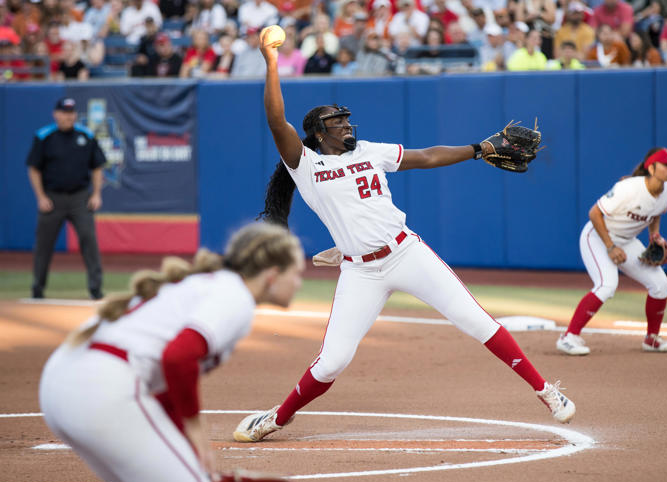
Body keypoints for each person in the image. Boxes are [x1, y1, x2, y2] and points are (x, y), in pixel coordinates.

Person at [231, 31, 577, 444]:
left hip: (405, 252)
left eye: (346, 119)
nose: (346, 125)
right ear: (318, 133)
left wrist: (479, 148)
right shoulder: (305, 164)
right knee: (331, 363)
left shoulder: (370, 151)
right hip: (361, 272)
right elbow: (275, 120)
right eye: (336, 121)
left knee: (475, 320)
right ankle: (277, 418)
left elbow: (427, 156)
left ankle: (546, 392)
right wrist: (271, 61)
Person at [39, 221, 305, 482]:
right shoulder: (235, 297)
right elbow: (178, 357)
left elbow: (165, 387)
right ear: (272, 275)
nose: (299, 282)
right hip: (103, 387)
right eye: (296, 273)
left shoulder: (209, 285)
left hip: (63, 385)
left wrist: (186, 446)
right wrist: (195, 430)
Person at [556, 147, 667, 356]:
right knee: (607, 285)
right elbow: (594, 213)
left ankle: (652, 339)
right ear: (651, 168)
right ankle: (569, 337)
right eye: (666, 164)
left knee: (660, 284)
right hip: (597, 237)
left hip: (627, 241)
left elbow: (657, 212)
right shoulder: (628, 189)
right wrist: (610, 247)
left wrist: (655, 237)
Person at [26, 98, 106, 300]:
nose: (68, 116)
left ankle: (96, 288)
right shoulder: (44, 136)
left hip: (80, 197)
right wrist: (41, 197)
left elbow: (97, 166)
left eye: (71, 112)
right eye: (64, 112)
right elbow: (34, 168)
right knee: (44, 244)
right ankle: (38, 287)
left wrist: (96, 194)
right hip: (52, 198)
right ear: (56, 114)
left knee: (89, 239)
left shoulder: (85, 135)